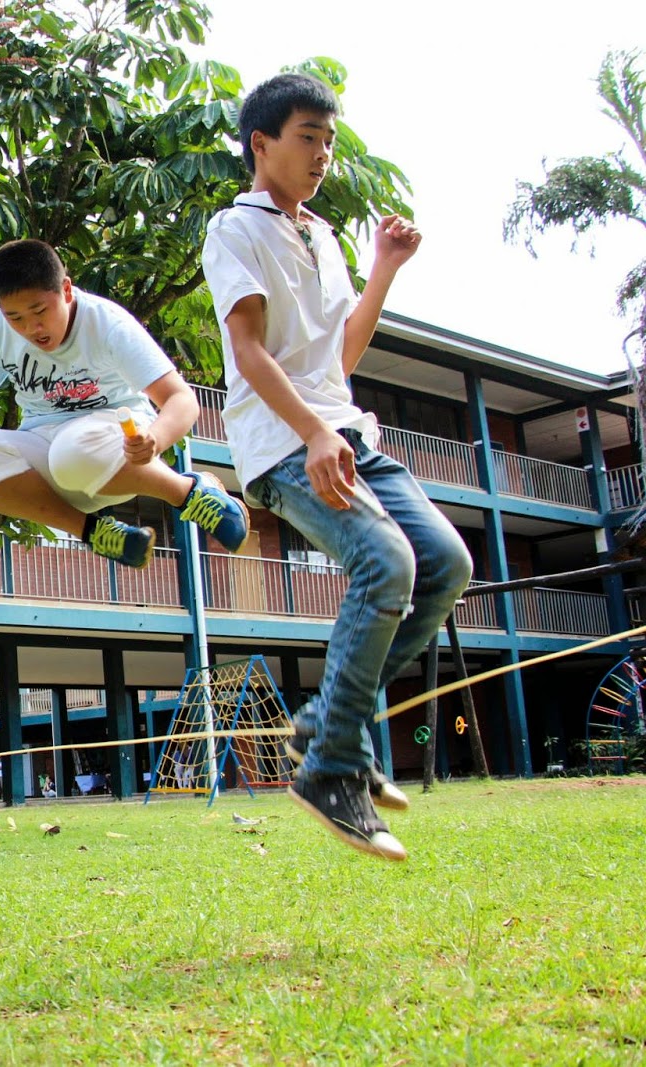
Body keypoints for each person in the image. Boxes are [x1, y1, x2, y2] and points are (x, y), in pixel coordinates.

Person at [201, 73, 472, 861]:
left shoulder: (322, 235)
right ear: (262, 143)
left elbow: (339, 357)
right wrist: (315, 432)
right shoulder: (235, 229)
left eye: (329, 138)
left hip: (345, 429)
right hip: (284, 443)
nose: (322, 152)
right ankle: (327, 768)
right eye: (307, 136)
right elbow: (248, 352)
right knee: (384, 560)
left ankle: (327, 724)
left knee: (445, 564)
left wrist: (384, 266)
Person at [0, 239, 251, 568]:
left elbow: (181, 398)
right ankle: (92, 532)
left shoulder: (106, 323)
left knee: (72, 453)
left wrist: (156, 438)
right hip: (49, 451)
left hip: (112, 446)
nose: (31, 328)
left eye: (39, 311)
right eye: (15, 317)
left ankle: (188, 493)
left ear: (65, 290)